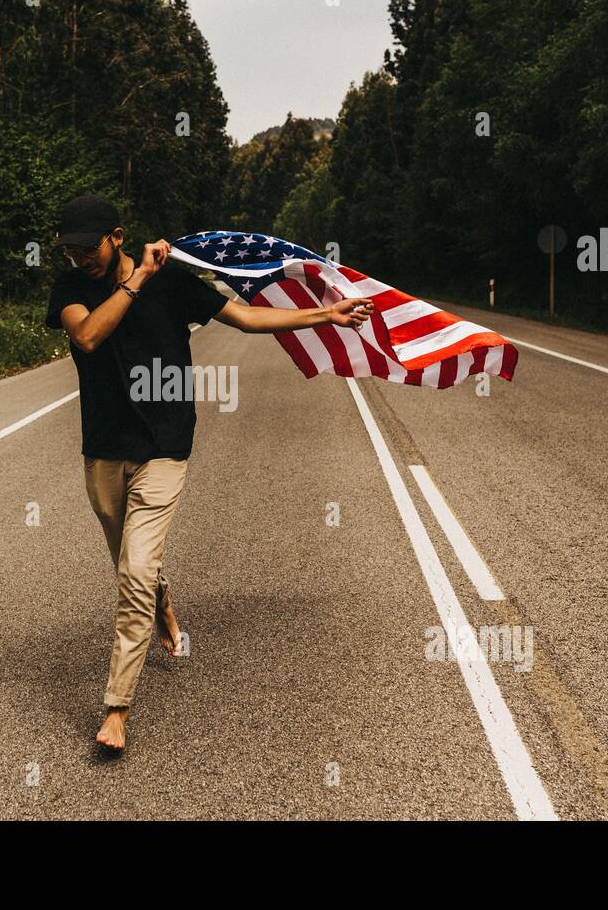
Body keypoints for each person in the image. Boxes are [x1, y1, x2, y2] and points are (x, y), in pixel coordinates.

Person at [46, 194, 375, 751]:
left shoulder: (173, 281)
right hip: (103, 446)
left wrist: (327, 313)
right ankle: (162, 602)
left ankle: (117, 709)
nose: (82, 260)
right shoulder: (71, 290)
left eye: (90, 248)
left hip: (165, 445)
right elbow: (88, 336)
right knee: (132, 564)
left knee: (133, 573)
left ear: (117, 235)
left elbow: (246, 318)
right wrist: (135, 282)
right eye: (72, 252)